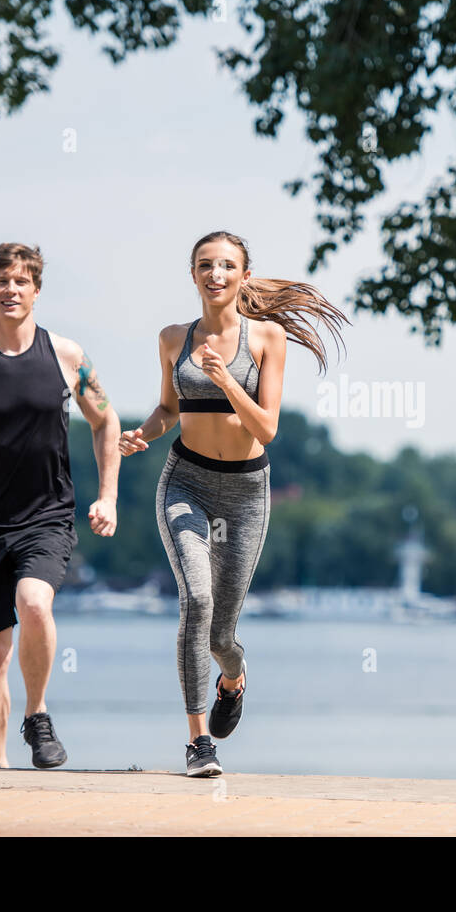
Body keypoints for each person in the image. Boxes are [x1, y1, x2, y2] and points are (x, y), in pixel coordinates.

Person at [119, 231, 348, 776]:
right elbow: (169, 409)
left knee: (222, 632)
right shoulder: (173, 337)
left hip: (245, 491)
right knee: (196, 602)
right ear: (193, 275)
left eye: (226, 266)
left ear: (243, 276)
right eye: (205, 265)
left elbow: (266, 428)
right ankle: (200, 744)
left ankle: (233, 676)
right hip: (186, 483)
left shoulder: (267, 337)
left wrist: (226, 379)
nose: (215, 274)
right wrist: (143, 434)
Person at [0, 242, 120, 769]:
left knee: (35, 602)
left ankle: (37, 714)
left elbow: (106, 420)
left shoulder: (67, 355)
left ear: (36, 290)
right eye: (0, 281)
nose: (10, 290)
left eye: (21, 281)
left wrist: (108, 496)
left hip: (47, 515)